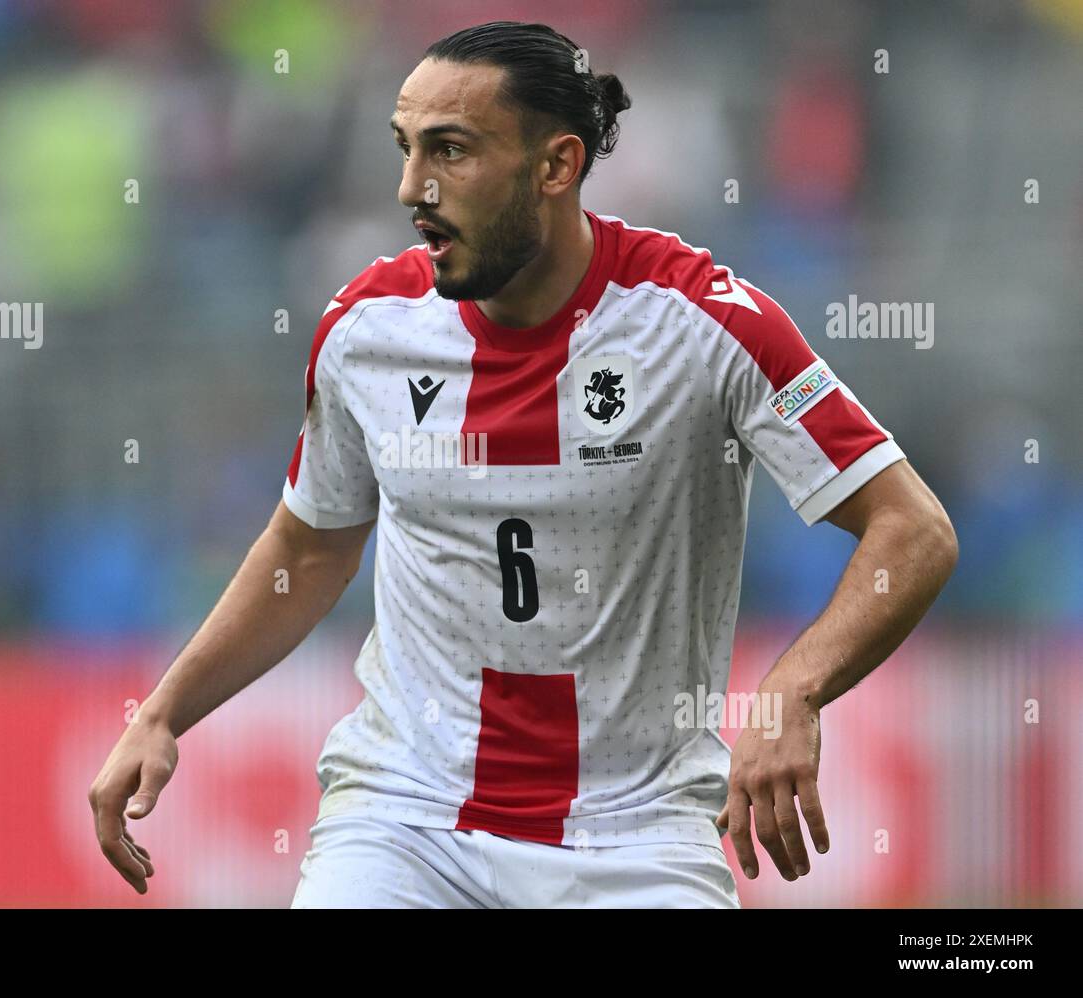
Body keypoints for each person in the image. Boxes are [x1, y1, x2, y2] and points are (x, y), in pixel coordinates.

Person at [88, 21, 958, 908]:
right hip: (408, 817)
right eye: (406, 149)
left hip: (639, 833)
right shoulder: (367, 329)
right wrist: (163, 712)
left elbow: (912, 529)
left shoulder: (710, 324)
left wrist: (794, 692)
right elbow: (307, 551)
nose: (411, 189)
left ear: (556, 166)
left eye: (451, 151)